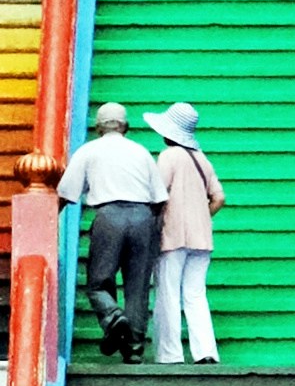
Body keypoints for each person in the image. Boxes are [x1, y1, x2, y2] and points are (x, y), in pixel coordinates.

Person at [58, 96, 161, 359]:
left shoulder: (88, 151)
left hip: (108, 215)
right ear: (125, 127)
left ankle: (113, 316)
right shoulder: (141, 152)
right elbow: (159, 198)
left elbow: (66, 193)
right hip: (143, 216)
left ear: (98, 128)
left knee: (98, 282)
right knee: (137, 286)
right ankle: (135, 348)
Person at [143, 98, 224, 365]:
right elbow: (219, 198)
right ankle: (206, 352)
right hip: (202, 238)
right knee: (195, 294)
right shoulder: (203, 160)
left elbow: (157, 193)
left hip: (173, 236)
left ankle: (170, 354)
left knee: (167, 293)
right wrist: (201, 217)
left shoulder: (168, 157)